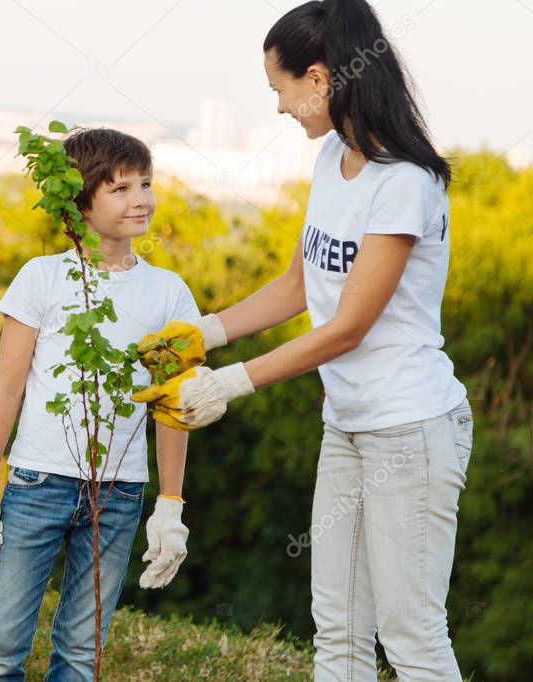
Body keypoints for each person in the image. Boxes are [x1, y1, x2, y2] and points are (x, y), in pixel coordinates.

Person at [132, 2, 471, 678]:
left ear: (317, 79)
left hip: (409, 431)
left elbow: (347, 325)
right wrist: (203, 334)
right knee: (338, 632)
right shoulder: (330, 160)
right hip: (344, 423)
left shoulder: (403, 182)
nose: (280, 107)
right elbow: (299, 285)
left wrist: (230, 382)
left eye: (278, 89)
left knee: (410, 638)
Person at [0, 127, 199, 680]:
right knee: (0, 649)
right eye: (119, 188)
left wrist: (170, 505)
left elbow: (174, 404)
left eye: (145, 183)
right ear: (81, 200)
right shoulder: (41, 278)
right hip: (36, 483)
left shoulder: (169, 293)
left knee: (81, 653)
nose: (140, 199)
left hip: (118, 492)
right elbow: (7, 388)